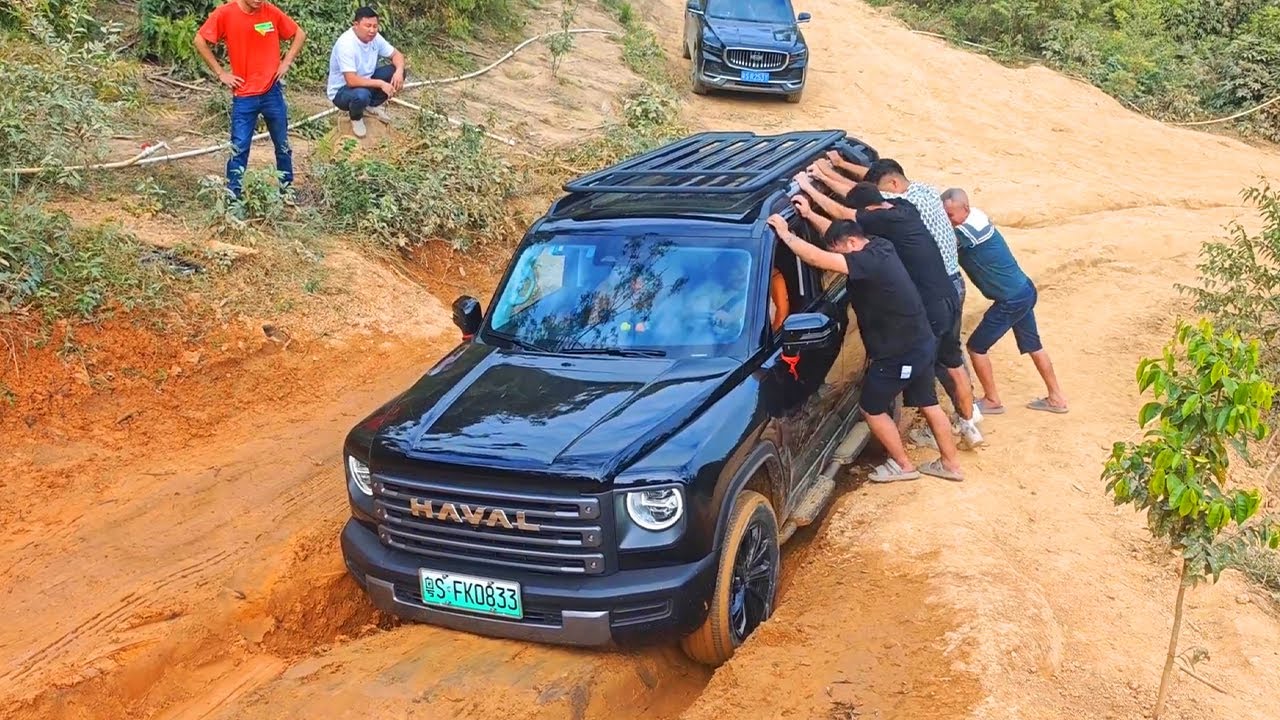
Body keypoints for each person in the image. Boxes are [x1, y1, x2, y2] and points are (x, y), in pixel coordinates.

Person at [766, 213, 965, 483]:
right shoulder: (879, 245)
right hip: (920, 341)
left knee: (871, 407)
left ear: (850, 243)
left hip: (898, 352)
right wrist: (810, 215)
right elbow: (837, 238)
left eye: (838, 252)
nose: (838, 261)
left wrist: (786, 234)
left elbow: (815, 258)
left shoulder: (868, 262)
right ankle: (951, 465)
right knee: (929, 403)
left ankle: (903, 466)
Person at [792, 177, 983, 449]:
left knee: (930, 372)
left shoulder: (876, 234)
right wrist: (813, 204)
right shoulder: (902, 207)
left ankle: (941, 434)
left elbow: (837, 237)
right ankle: (969, 424)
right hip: (948, 291)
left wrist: (811, 193)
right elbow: (842, 234)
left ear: (866, 215)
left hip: (925, 307)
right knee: (952, 362)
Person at [940, 188, 1068, 414]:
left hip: (1010, 300)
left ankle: (992, 400)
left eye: (950, 216)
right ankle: (1056, 397)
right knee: (1034, 346)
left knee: (976, 348)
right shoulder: (976, 217)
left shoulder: (966, 232)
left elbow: (942, 243)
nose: (947, 221)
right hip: (1023, 290)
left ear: (965, 209)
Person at [195, 0, 306, 201]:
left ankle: (287, 192)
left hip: (272, 91)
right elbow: (199, 40)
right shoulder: (225, 13)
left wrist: (286, 62)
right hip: (244, 95)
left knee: (282, 145)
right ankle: (233, 197)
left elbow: (299, 33)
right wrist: (221, 73)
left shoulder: (269, 10)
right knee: (239, 148)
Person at [326, 6, 406, 139]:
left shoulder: (375, 38)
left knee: (396, 72)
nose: (372, 30)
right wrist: (381, 83)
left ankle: (371, 106)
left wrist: (399, 71)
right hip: (342, 91)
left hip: (365, 81)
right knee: (361, 95)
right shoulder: (346, 44)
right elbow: (351, 80)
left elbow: (397, 55)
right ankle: (356, 118)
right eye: (368, 26)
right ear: (356, 25)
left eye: (375, 26)